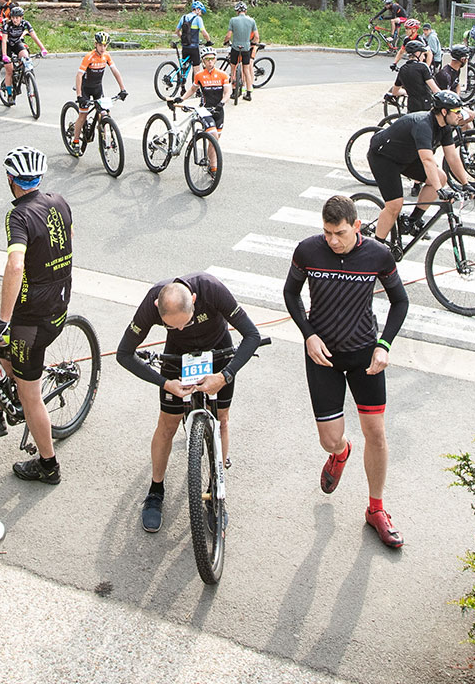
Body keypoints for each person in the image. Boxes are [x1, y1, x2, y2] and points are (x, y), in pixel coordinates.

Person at [285, 193, 409, 551]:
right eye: (327, 232)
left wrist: (384, 345)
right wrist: (308, 335)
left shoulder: (377, 255)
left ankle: (376, 509)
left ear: (356, 226)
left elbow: (400, 300)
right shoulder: (308, 251)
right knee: (329, 438)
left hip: (363, 356)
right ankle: (340, 453)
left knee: (377, 434)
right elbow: (290, 293)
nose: (332, 241)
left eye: (339, 232)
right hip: (322, 356)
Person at [114, 273, 263, 532]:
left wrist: (225, 376)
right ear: (157, 310)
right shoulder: (153, 300)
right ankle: (155, 490)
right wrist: (164, 383)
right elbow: (124, 354)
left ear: (194, 300)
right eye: (171, 327)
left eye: (185, 322)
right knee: (167, 424)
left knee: (222, 421)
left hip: (218, 353)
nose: (181, 329)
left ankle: (217, 491)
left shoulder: (211, 289)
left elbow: (252, 335)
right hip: (177, 358)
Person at [0, 147, 73, 486]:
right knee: (0, 348)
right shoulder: (59, 201)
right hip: (59, 301)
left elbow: (16, 264)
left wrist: (3, 317)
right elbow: (67, 241)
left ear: (11, 180)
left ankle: (47, 465)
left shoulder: (17, 216)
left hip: (31, 318)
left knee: (29, 394)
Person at [364, 90, 474, 246]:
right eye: (457, 112)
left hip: (406, 157)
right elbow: (428, 160)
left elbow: (452, 157)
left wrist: (466, 184)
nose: (460, 116)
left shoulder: (445, 126)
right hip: (384, 158)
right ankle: (377, 247)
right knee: (394, 205)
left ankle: (412, 221)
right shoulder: (423, 125)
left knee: (441, 177)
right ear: (444, 111)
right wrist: (439, 190)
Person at [71, 32, 129, 151]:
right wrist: (79, 96)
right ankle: (75, 141)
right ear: (95, 44)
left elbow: (115, 71)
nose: (103, 48)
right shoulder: (89, 57)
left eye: (105, 45)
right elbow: (79, 75)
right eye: (100, 45)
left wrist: (123, 89)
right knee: (83, 115)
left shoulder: (106, 56)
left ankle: (103, 140)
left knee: (105, 114)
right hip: (85, 89)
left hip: (98, 88)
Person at [0, 5, 47, 101]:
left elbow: (34, 37)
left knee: (26, 56)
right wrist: (4, 55)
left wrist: (43, 48)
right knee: (9, 71)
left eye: (17, 18)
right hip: (7, 46)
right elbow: (4, 41)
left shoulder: (25, 24)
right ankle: (10, 95)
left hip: (17, 44)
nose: (15, 20)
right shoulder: (7, 25)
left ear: (21, 18)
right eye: (13, 18)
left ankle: (24, 75)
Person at [388, 37, 438, 113]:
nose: (424, 57)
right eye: (422, 54)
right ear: (417, 53)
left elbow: (395, 92)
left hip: (412, 107)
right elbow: (435, 90)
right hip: (425, 106)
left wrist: (406, 92)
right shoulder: (423, 67)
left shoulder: (402, 69)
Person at [226, 2, 260, 101]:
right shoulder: (251, 21)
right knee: (246, 70)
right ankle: (248, 93)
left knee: (233, 69)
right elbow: (256, 37)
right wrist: (252, 44)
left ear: (237, 11)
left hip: (235, 48)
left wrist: (226, 41)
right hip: (246, 48)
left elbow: (228, 35)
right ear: (245, 11)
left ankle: (233, 91)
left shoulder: (233, 20)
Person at [175, 0, 211, 79]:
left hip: (185, 46)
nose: (201, 13)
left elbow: (177, 31)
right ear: (197, 9)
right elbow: (203, 32)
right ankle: (197, 89)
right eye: (201, 11)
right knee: (196, 68)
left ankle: (182, 85)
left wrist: (183, 38)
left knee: (184, 67)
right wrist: (209, 41)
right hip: (194, 47)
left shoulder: (184, 17)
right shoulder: (198, 19)